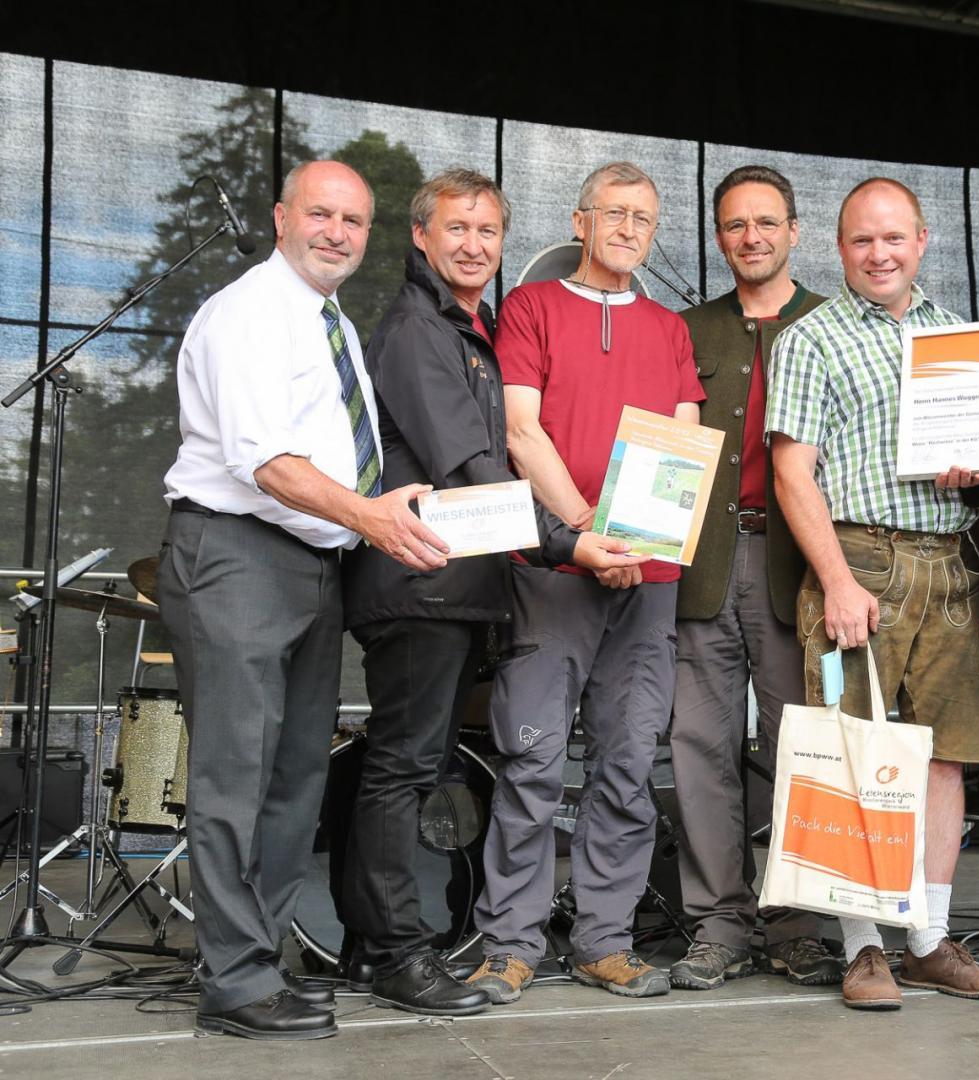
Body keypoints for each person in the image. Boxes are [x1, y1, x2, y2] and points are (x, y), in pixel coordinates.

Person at [339, 169, 646, 1016]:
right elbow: (472, 472)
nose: (474, 245)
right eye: (457, 229)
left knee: (403, 765)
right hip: (418, 584)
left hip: (453, 587)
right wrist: (569, 544)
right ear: (422, 238)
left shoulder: (462, 326)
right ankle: (401, 955)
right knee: (401, 771)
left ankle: (373, 950)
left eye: (488, 232)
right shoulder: (415, 329)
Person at [157, 160, 450, 1041]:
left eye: (354, 221)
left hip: (310, 563)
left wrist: (379, 519)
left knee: (295, 780)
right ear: (282, 217)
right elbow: (267, 464)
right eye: (319, 213)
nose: (337, 232)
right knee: (235, 775)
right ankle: (235, 980)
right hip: (239, 552)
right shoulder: (250, 313)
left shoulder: (330, 325)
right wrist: (373, 518)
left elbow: (332, 456)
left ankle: (258, 963)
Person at [767, 177, 979, 1011]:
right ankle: (864, 947)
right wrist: (834, 577)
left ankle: (930, 939)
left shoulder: (958, 337)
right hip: (859, 561)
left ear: (923, 240)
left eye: (894, 239)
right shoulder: (812, 337)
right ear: (839, 250)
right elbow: (790, 471)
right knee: (852, 756)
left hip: (947, 563)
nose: (879, 255)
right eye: (862, 241)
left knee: (946, 755)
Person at [466, 161, 704, 1003]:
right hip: (556, 570)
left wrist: (637, 538)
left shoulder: (672, 331)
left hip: (649, 571)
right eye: (616, 213)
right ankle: (511, 943)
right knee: (530, 760)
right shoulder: (530, 309)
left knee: (628, 762)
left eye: (645, 216)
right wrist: (583, 536)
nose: (631, 228)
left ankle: (604, 938)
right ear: (580, 221)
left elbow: (682, 440)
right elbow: (521, 432)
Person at [665, 166, 839, 992]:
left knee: (799, 744)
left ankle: (798, 925)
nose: (752, 238)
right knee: (698, 744)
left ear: (795, 231)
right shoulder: (683, 330)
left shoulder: (836, 325)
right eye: (735, 225)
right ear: (720, 236)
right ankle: (717, 924)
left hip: (798, 564)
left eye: (767, 223)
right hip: (703, 558)